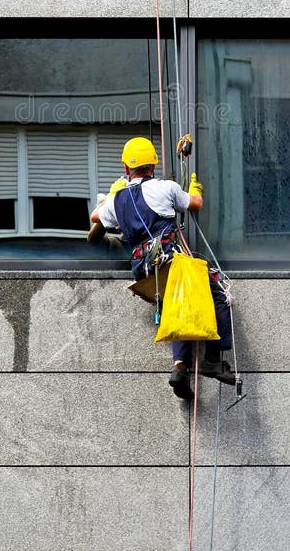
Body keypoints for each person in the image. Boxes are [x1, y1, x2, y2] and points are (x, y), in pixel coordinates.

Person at [90, 136, 233, 401]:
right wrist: (195, 189)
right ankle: (214, 359)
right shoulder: (165, 188)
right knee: (219, 292)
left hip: (143, 271)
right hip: (167, 259)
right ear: (153, 165)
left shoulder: (117, 200)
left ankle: (180, 368)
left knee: (176, 307)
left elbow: (95, 217)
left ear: (126, 169)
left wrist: (113, 194)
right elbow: (195, 204)